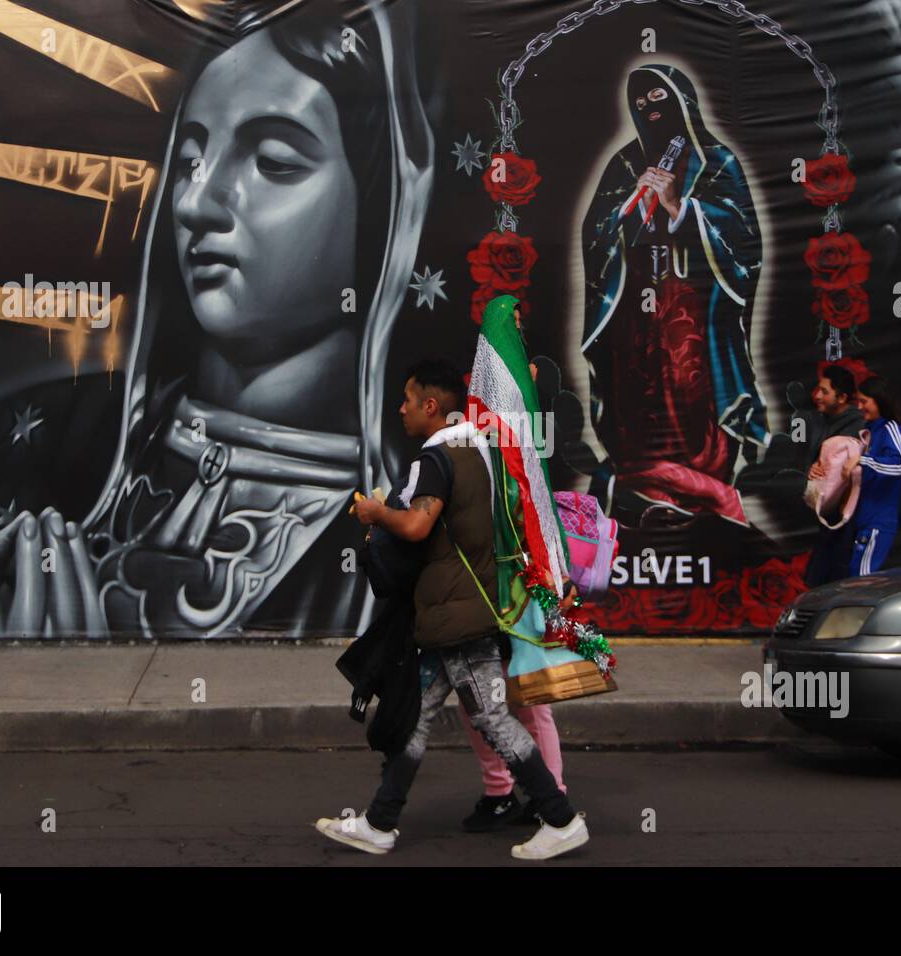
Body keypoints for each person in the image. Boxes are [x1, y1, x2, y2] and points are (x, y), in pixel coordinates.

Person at [0, 1, 434, 639]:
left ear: (381, 213)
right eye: (188, 160)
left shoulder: (420, 501)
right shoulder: (48, 441)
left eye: (273, 161)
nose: (195, 202)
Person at [316, 359, 589, 860]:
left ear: (431, 406)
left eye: (407, 399)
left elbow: (420, 526)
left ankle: (561, 817)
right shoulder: (476, 448)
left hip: (455, 616)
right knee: (416, 718)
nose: (399, 409)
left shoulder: (435, 459)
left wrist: (376, 513)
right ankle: (379, 823)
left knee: (493, 720)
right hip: (456, 611)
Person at [579, 64, 766, 527]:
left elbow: (743, 239)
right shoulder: (626, 163)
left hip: (695, 308)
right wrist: (629, 207)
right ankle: (645, 484)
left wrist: (680, 207)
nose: (649, 111)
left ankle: (704, 490)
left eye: (658, 100)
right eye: (640, 106)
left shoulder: (717, 161)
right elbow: (595, 233)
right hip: (634, 308)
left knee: (690, 390)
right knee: (636, 396)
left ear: (682, 103)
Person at [457, 301, 567, 832]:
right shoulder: (476, 433)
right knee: (477, 696)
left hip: (518, 582)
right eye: (511, 330)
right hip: (484, 583)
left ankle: (553, 798)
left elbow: (529, 503)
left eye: (519, 331)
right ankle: (500, 791)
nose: (517, 340)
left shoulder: (525, 421)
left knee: (530, 696)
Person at [804, 364, 866, 586]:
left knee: (839, 578)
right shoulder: (817, 420)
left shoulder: (860, 424)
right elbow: (811, 460)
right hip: (824, 516)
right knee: (816, 578)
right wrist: (812, 469)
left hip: (849, 519)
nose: (817, 396)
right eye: (817, 390)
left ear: (842, 398)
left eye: (824, 391)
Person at [844, 376, 901, 576]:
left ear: (880, 401)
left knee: (861, 581)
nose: (860, 407)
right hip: (865, 523)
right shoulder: (869, 434)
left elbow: (900, 465)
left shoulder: (891, 429)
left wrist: (862, 460)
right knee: (857, 576)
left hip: (878, 523)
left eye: (865, 401)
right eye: (858, 402)